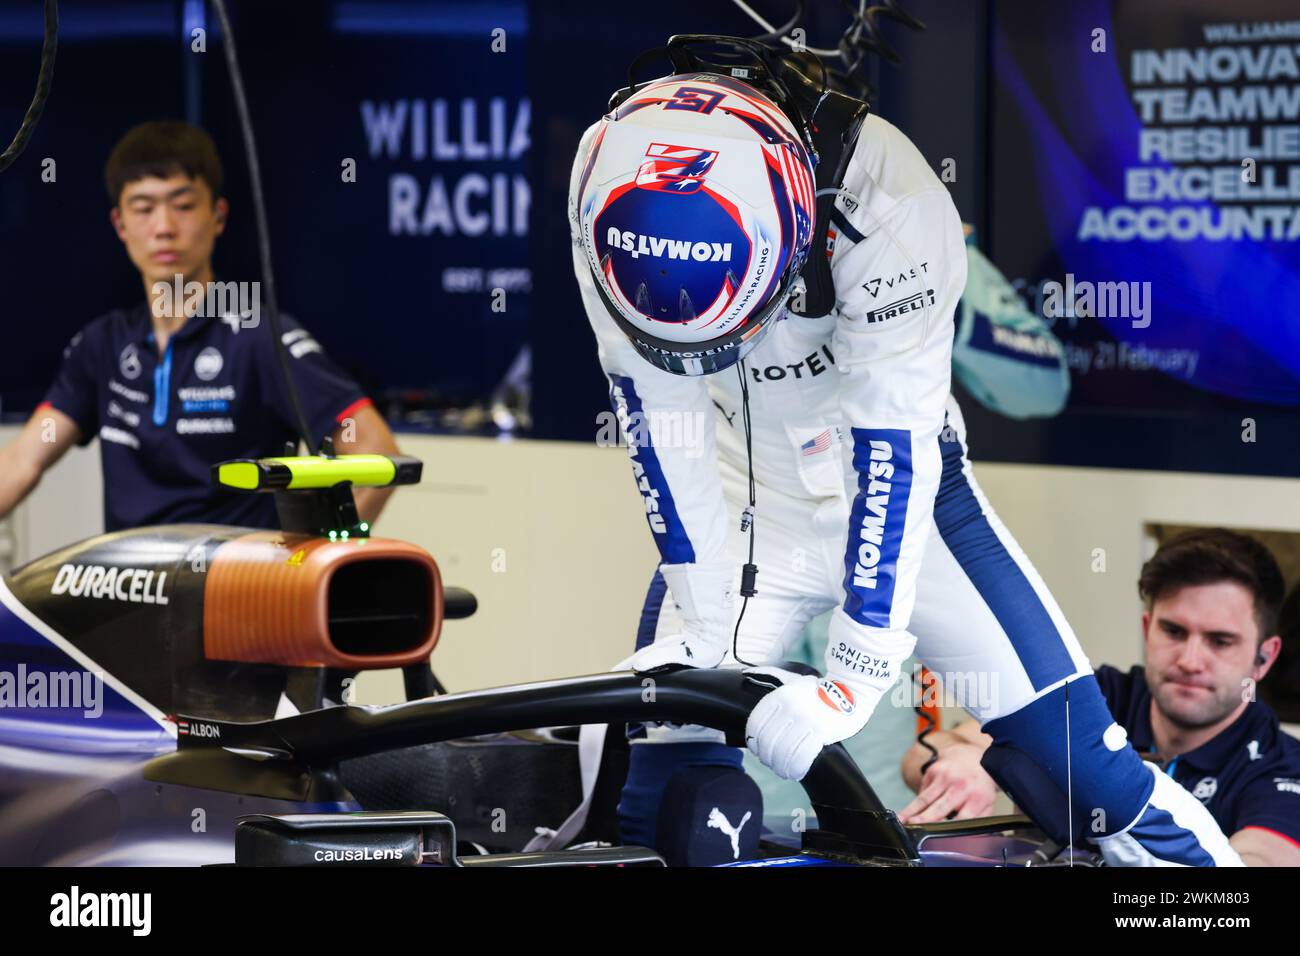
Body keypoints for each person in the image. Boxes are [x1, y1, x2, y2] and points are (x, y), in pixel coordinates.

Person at [570, 59, 1241, 865]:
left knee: (1084, 781)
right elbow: (655, 417)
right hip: (741, 502)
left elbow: (893, 451)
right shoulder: (599, 174)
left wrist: (855, 678)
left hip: (913, 504)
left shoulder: (894, 200)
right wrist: (706, 619)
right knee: (667, 792)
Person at [0, 120, 399, 532]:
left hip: (237, 588)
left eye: (184, 205)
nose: (164, 228)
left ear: (218, 216)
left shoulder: (261, 336)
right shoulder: (101, 345)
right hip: (122, 588)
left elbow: (374, 449)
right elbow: (24, 459)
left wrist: (299, 572)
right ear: (120, 225)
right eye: (143, 208)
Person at [900, 528, 1300, 866]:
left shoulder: (1283, 767)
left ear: (1265, 658)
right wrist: (968, 761)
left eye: (1220, 641)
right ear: (1148, 628)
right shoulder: (1095, 697)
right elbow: (921, 754)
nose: (1190, 660)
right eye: (1174, 632)